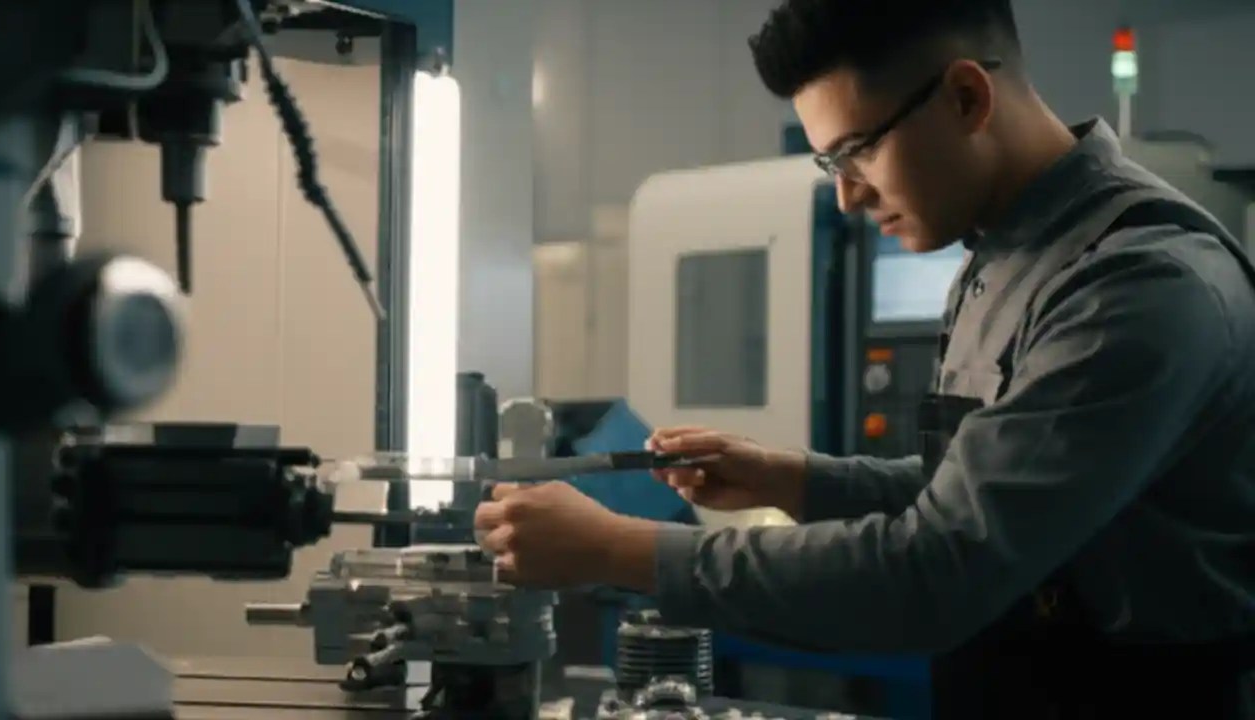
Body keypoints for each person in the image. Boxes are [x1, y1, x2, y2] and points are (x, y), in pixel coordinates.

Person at [474, 1, 1255, 716]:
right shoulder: (1003, 258)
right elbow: (971, 493)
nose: (847, 196)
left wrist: (616, 550)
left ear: (966, 98)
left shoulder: (1137, 286)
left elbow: (941, 568)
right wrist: (796, 477)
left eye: (857, 153)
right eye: (830, 166)